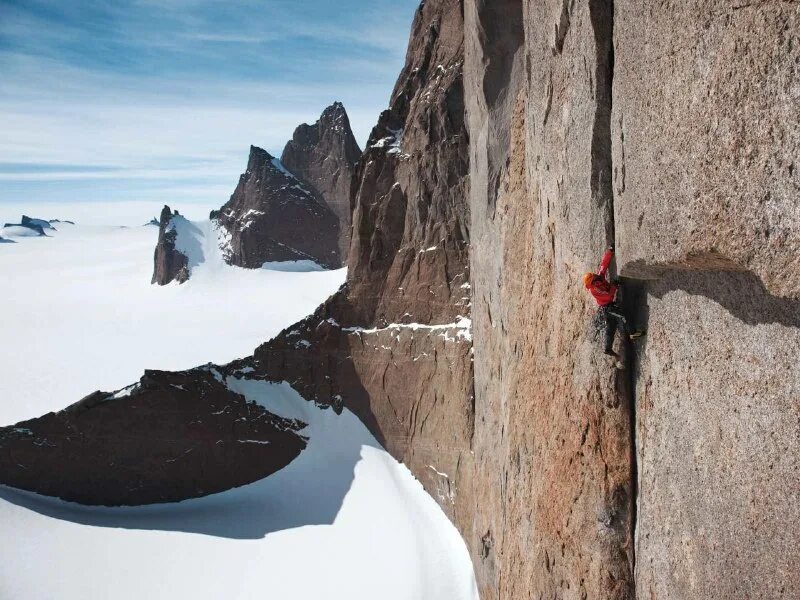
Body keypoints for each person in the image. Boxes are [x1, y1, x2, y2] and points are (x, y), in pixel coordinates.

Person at [583, 246, 642, 356]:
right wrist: (614, 285)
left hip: (607, 308)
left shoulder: (599, 278)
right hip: (608, 307)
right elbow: (609, 294)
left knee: (611, 328)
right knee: (624, 316)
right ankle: (633, 333)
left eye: (594, 276)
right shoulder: (594, 290)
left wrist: (610, 251)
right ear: (592, 282)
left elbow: (603, 264)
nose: (596, 276)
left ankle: (607, 348)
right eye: (594, 278)